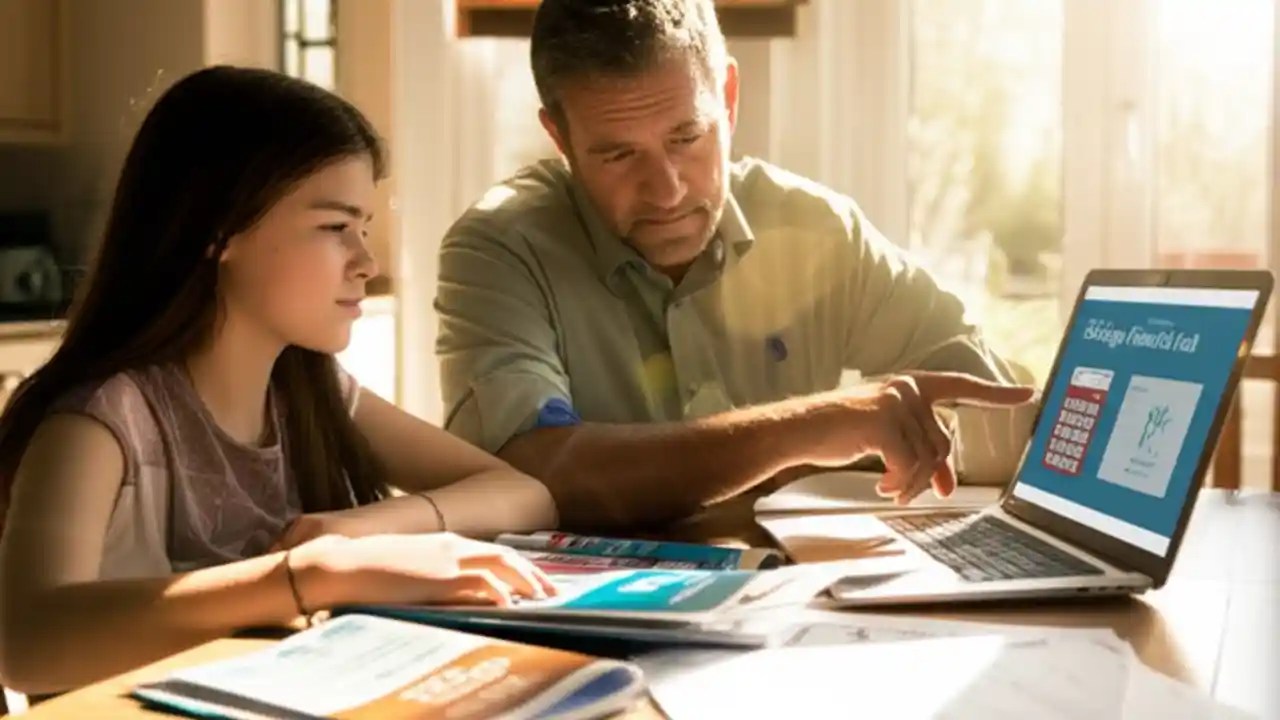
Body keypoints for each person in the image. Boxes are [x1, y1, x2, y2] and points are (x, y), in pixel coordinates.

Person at [0, 66, 557, 697]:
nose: (366, 263)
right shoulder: (101, 422)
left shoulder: (311, 392)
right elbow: (26, 645)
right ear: (218, 231)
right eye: (333, 227)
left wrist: (361, 532)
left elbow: (524, 493)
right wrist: (305, 576)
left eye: (364, 229)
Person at [436, 0, 1037, 531]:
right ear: (560, 139)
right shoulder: (499, 249)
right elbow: (531, 473)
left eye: (686, 136)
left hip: (807, 607)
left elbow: (987, 396)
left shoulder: (817, 228)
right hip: (592, 630)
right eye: (619, 154)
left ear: (727, 97)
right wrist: (806, 430)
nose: (666, 190)